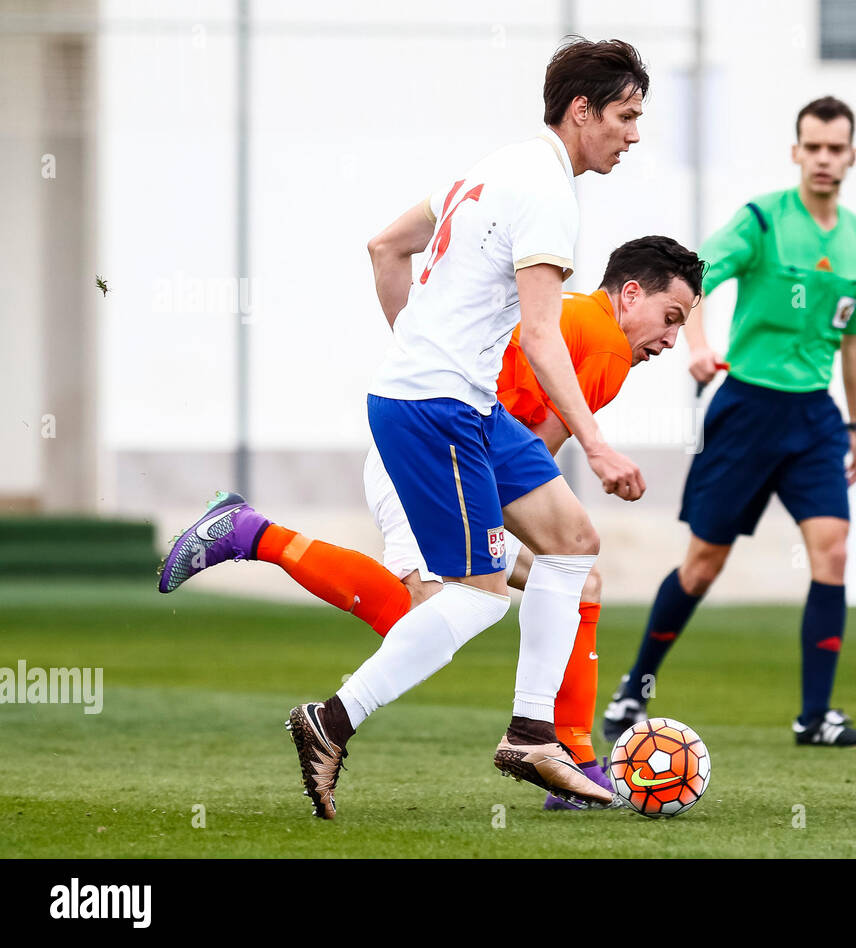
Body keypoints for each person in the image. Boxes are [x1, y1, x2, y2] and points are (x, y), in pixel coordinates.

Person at [163, 37, 650, 818]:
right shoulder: (550, 193)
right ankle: (330, 719)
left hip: (455, 402)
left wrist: (420, 350)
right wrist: (594, 441)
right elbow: (539, 334)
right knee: (478, 599)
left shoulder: (490, 170)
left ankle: (533, 734)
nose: (633, 135)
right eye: (625, 117)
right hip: (439, 408)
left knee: (572, 543)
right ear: (581, 110)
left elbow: (385, 245)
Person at [159, 236, 704, 811]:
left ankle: (569, 756)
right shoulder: (606, 349)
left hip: (432, 446)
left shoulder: (565, 311)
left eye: (681, 325)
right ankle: (251, 535)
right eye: (670, 319)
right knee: (439, 611)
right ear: (631, 294)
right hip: (437, 457)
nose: (671, 339)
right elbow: (531, 466)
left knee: (567, 572)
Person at [603, 96, 856, 749]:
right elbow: (692, 278)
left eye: (835, 148)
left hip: (815, 417)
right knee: (702, 567)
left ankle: (815, 718)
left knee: (834, 551)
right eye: (812, 146)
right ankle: (632, 690)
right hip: (747, 409)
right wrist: (697, 346)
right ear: (796, 152)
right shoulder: (763, 220)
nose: (823, 158)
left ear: (851, 156)